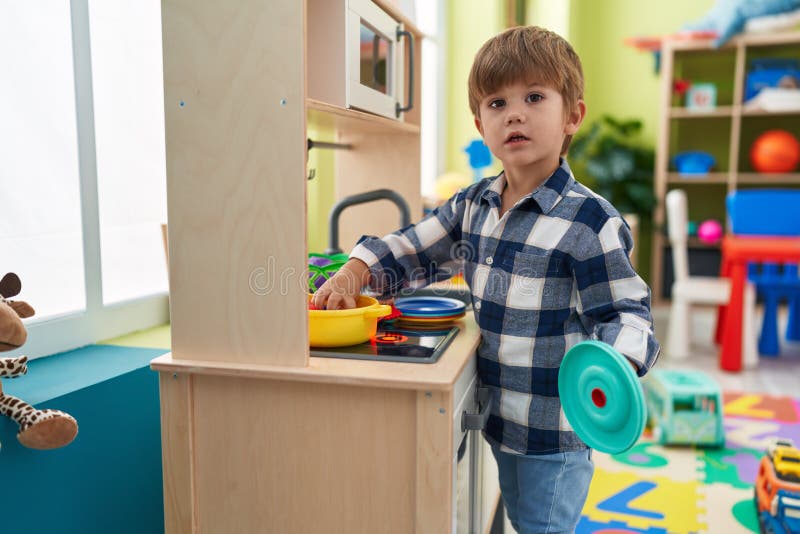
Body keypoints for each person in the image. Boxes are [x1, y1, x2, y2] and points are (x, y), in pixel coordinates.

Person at [312, 25, 660, 533]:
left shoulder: (591, 221)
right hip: (498, 418)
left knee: (541, 527)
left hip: (554, 433)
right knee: (514, 515)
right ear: (481, 124)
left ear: (572, 117)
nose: (514, 113)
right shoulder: (471, 206)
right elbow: (414, 248)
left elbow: (625, 311)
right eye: (497, 103)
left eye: (534, 97)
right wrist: (356, 268)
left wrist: (618, 365)